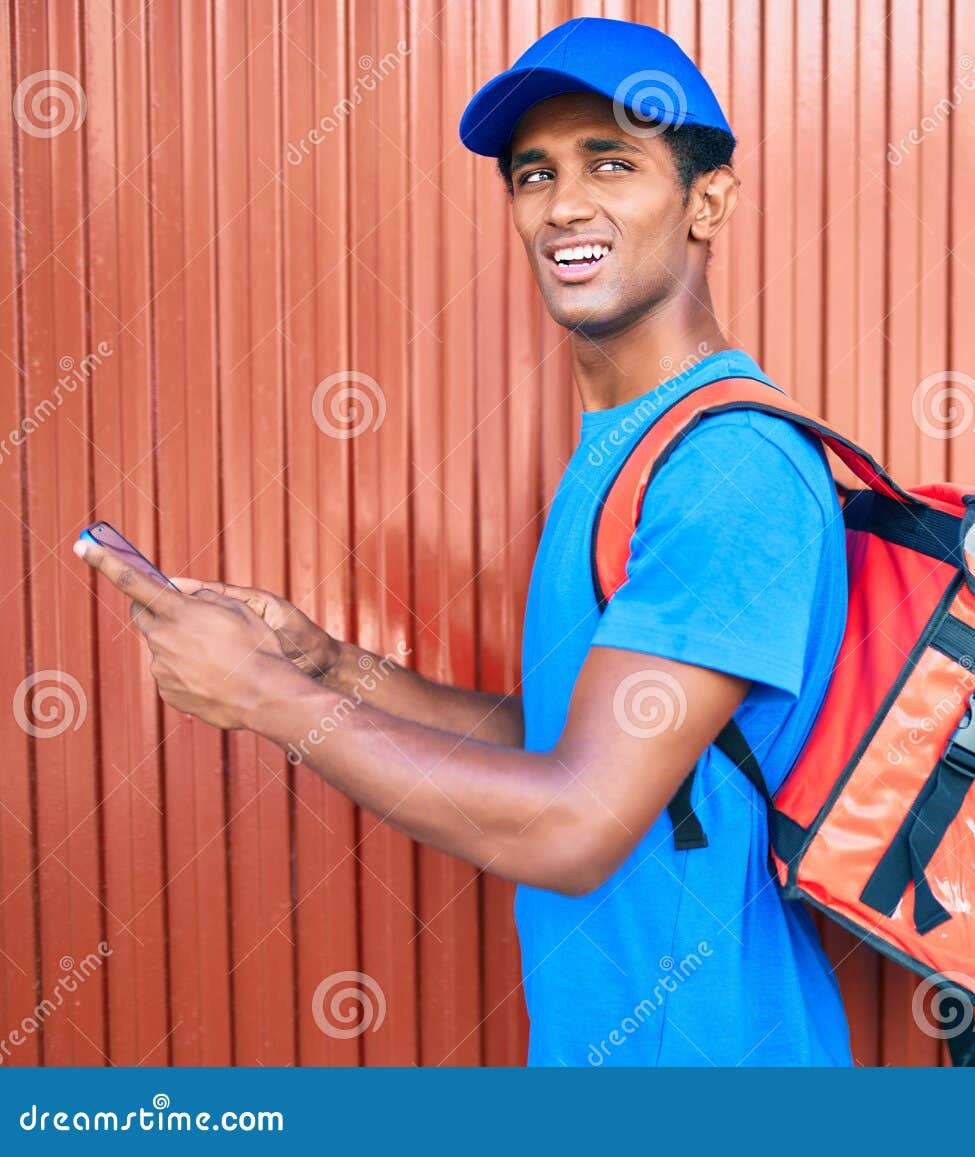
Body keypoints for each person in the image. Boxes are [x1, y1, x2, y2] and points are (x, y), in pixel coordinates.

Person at [75, 16, 853, 1068]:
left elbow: (576, 822)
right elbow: (581, 743)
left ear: (706, 200)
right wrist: (331, 666)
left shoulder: (729, 468)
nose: (563, 203)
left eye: (611, 163)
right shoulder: (631, 443)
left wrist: (267, 701)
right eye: (533, 175)